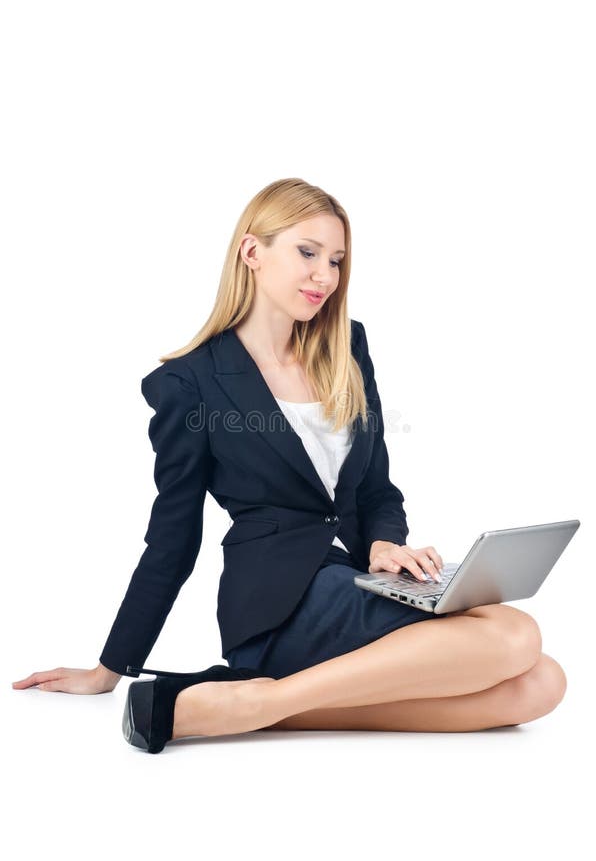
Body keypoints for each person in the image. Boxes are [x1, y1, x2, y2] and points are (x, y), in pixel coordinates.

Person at [13, 177, 567, 750]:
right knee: (515, 634)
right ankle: (265, 695)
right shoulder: (190, 382)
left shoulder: (346, 349)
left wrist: (382, 545)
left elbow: (377, 489)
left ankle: (251, 706)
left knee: (541, 686)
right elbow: (172, 537)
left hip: (355, 576)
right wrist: (111, 667)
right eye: (307, 253)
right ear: (252, 252)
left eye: (336, 260)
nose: (325, 276)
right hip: (277, 602)